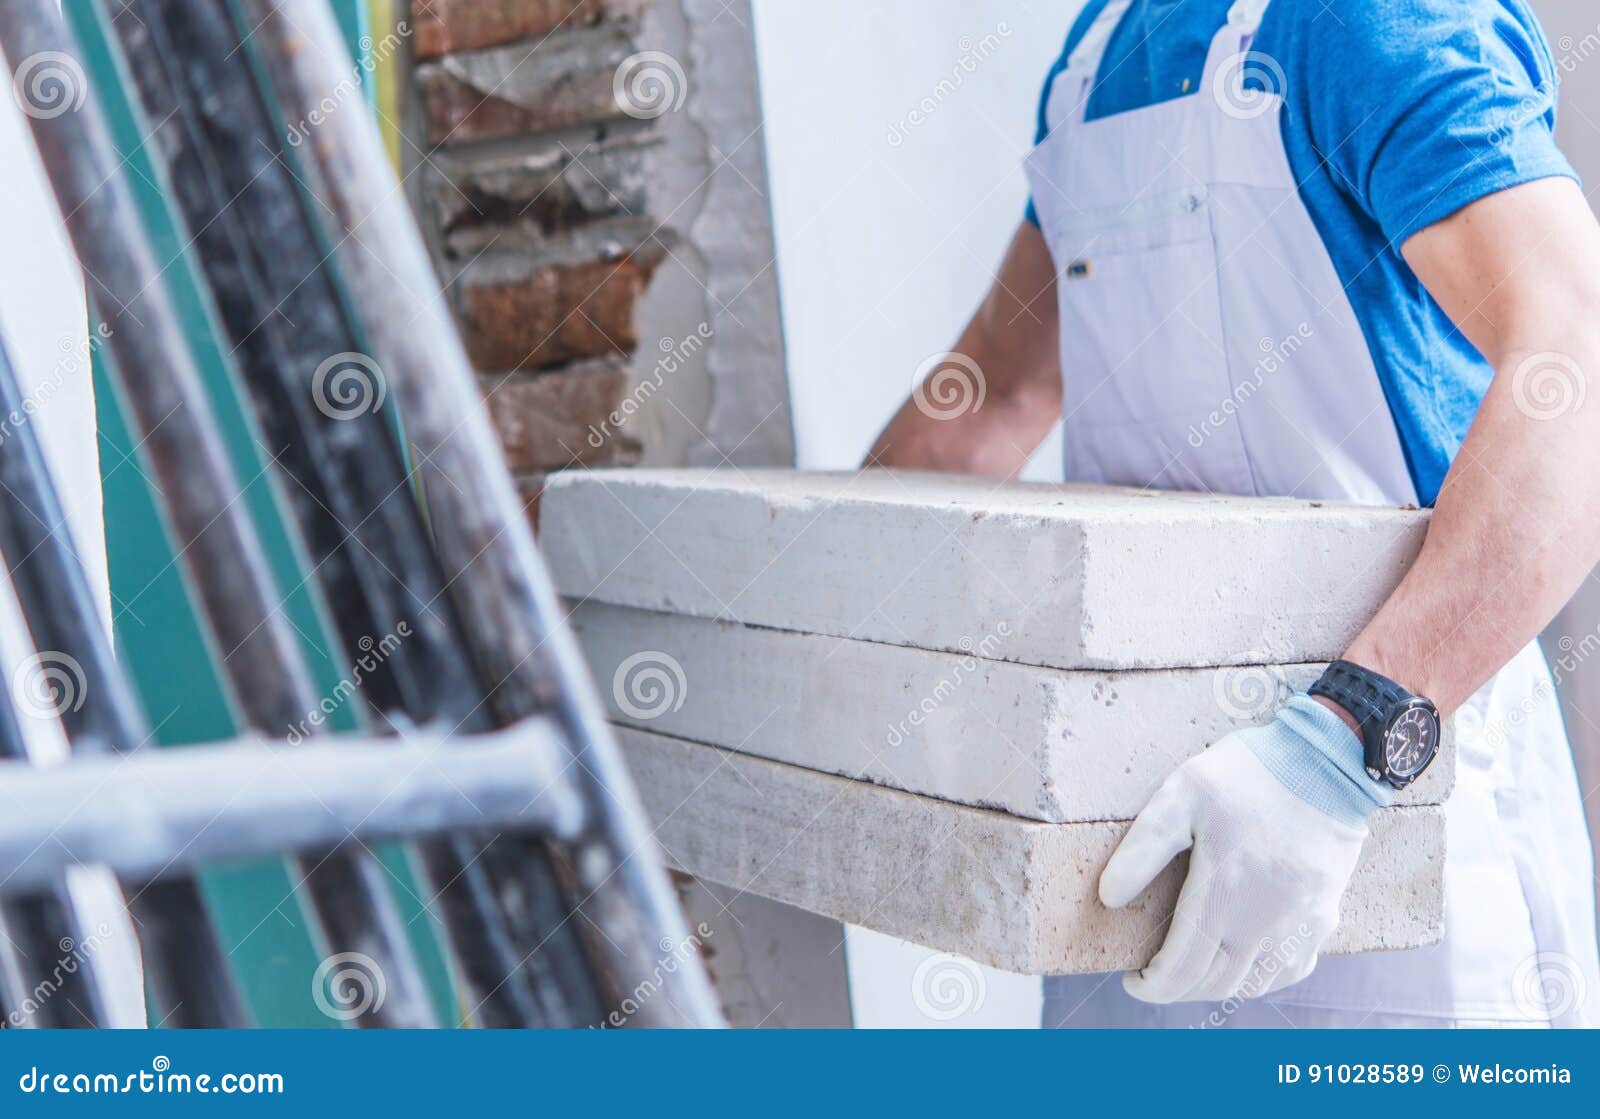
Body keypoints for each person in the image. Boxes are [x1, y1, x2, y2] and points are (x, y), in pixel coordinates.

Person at [868, 0, 1600, 1027]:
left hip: (1382, 827)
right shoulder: (1095, 55)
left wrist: (1341, 748)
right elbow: (993, 394)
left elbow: (1576, 355)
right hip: (1136, 841)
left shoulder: (1370, 21)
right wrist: (834, 633)